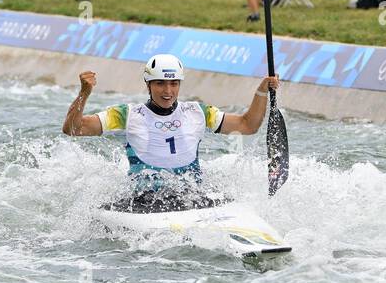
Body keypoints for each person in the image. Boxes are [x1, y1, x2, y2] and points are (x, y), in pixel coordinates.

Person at [60, 57, 272, 198]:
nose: (167, 91)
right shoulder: (127, 114)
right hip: (144, 202)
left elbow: (247, 125)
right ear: (148, 85)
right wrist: (84, 93)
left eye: (173, 84)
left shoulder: (199, 112)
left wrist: (262, 91)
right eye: (160, 83)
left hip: (191, 197)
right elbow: (73, 129)